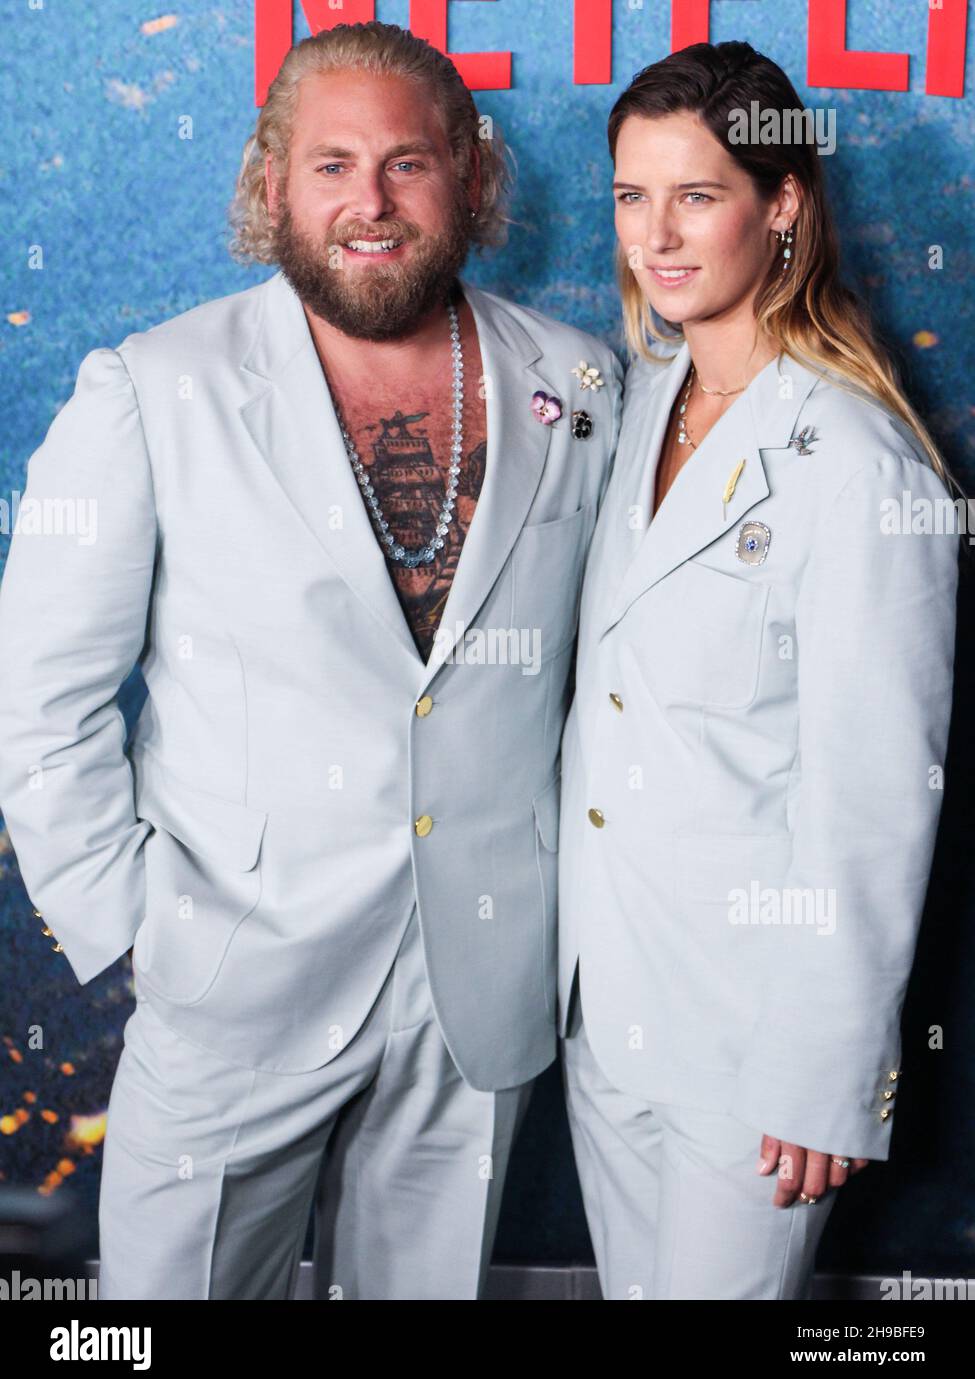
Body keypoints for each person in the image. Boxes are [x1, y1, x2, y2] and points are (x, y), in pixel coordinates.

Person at [0, 21, 622, 1300]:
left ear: (469, 175)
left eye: (408, 162)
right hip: (233, 979)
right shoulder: (152, 388)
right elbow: (40, 698)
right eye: (331, 166)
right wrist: (139, 931)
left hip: (476, 983)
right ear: (271, 182)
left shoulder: (580, 379)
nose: (371, 203)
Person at [558, 41, 959, 1300]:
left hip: (754, 1040)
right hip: (609, 1006)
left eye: (697, 195)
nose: (656, 235)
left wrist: (828, 1066)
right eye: (632, 196)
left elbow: (876, 791)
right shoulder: (642, 400)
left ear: (782, 204)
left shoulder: (857, 462)